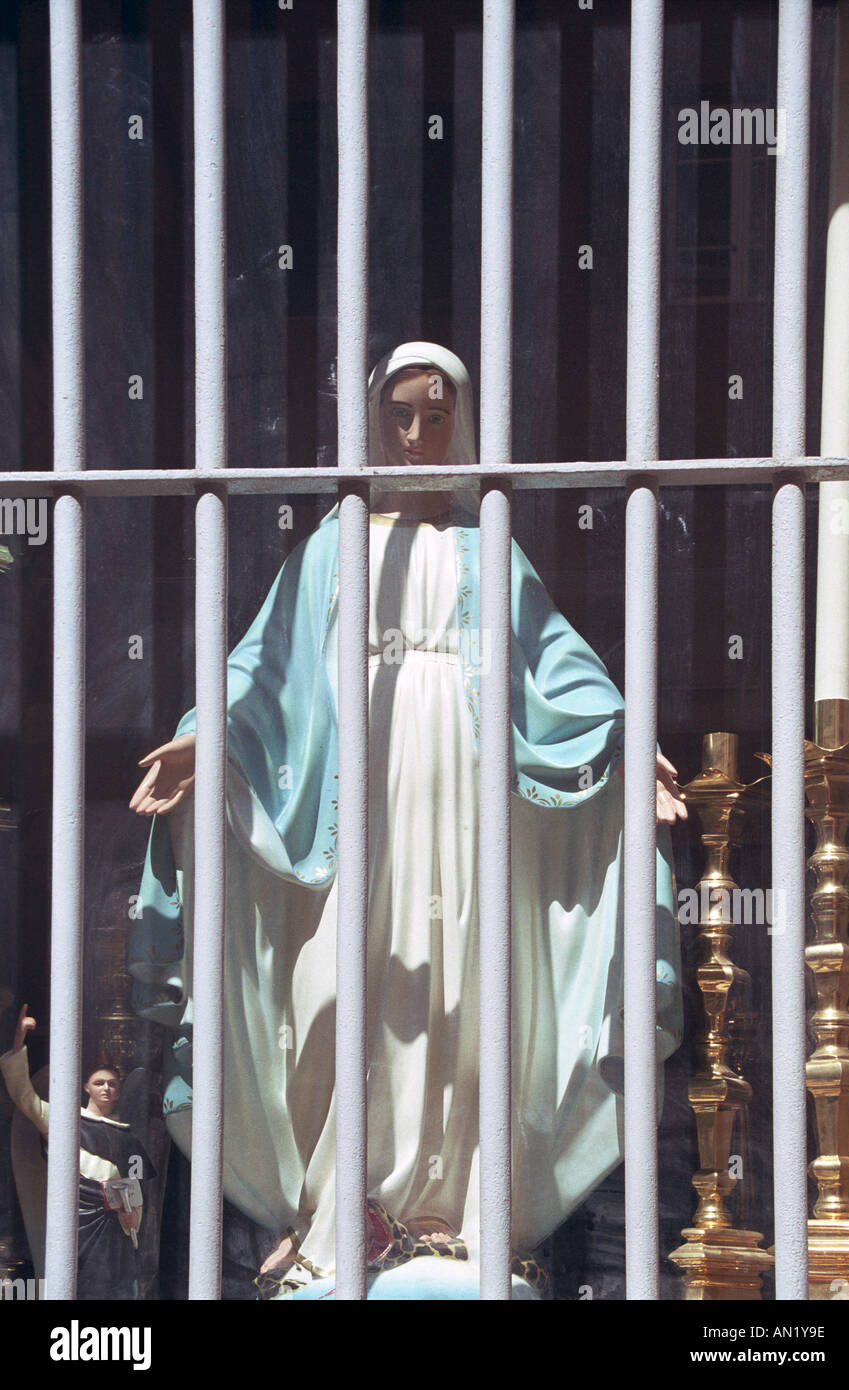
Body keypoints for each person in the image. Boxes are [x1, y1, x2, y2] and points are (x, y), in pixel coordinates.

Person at [128, 342, 685, 1293]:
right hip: (361, 799)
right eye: (400, 415)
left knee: (465, 994)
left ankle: (466, 1212)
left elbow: (558, 669)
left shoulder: (487, 546)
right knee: (341, 990)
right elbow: (262, 671)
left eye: (435, 415)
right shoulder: (330, 551)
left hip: (462, 796)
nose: (418, 435)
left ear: (459, 423)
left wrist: (624, 745)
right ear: (375, 423)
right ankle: (340, 1213)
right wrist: (202, 736)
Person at [0, 1004, 153, 1299]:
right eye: (99, 1083)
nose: (106, 1088)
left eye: (112, 1083)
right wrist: (19, 1042)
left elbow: (136, 1187)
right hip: (77, 1229)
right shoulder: (64, 1121)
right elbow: (23, 1095)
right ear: (86, 1087)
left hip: (117, 1235)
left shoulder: (129, 1137)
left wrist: (134, 1216)